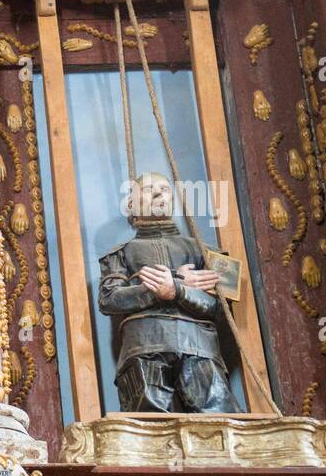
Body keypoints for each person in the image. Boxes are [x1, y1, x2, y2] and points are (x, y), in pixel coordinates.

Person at [98, 172, 232, 413]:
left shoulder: (206, 252)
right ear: (131, 205)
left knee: (218, 426)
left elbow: (224, 309)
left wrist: (177, 290)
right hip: (143, 348)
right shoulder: (120, 253)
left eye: (165, 188)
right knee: (148, 432)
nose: (160, 192)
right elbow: (108, 299)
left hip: (199, 347)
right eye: (150, 189)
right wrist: (169, 285)